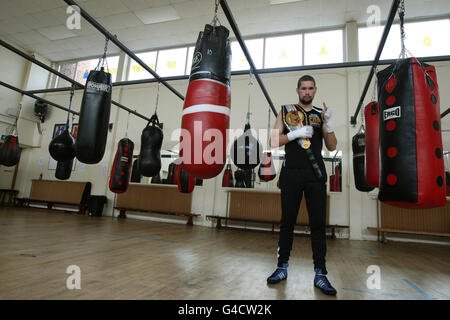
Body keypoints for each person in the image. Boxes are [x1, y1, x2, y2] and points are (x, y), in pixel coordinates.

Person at [267, 75, 338, 296]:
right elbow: (272, 141)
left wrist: (328, 123)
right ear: (297, 90)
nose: (307, 92)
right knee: (287, 222)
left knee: (318, 225)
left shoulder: (319, 114)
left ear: (315, 90)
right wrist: (294, 133)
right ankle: (282, 268)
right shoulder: (286, 110)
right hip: (291, 174)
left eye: (310, 89)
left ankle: (320, 273)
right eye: (303, 88)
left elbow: (333, 146)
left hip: (315, 175)